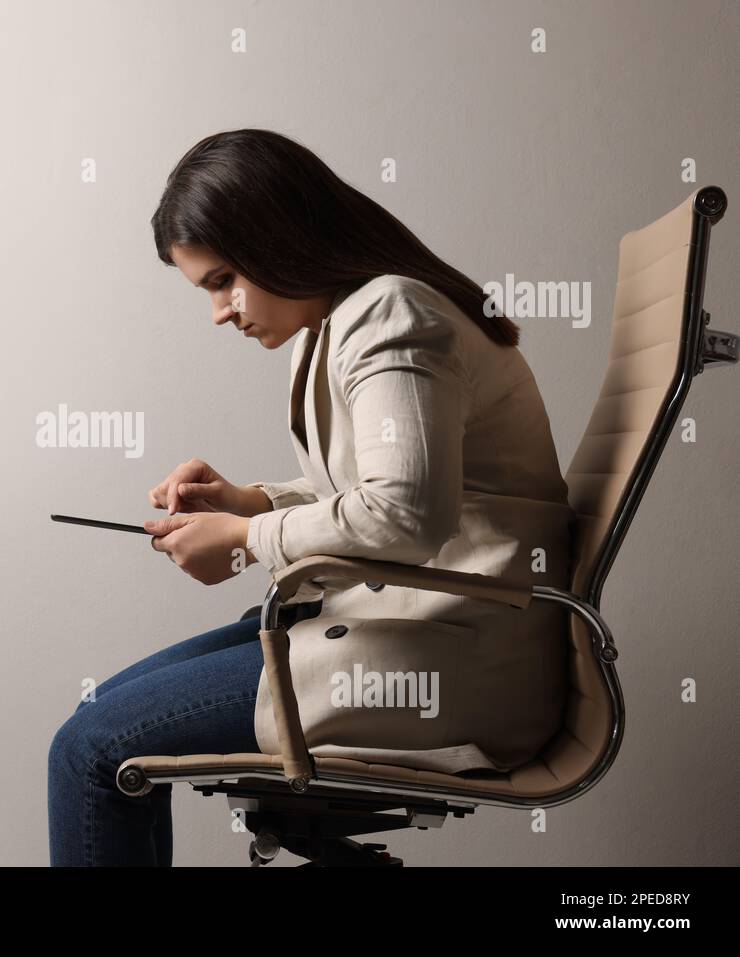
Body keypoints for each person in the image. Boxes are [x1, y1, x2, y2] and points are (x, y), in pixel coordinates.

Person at [47, 128, 573, 866]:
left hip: (455, 658)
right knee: (93, 722)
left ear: (280, 237)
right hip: (409, 622)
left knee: (91, 749)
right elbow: (380, 489)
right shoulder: (339, 321)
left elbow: (404, 514)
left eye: (224, 279)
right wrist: (249, 501)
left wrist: (241, 537)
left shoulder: (392, 317)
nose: (220, 312)